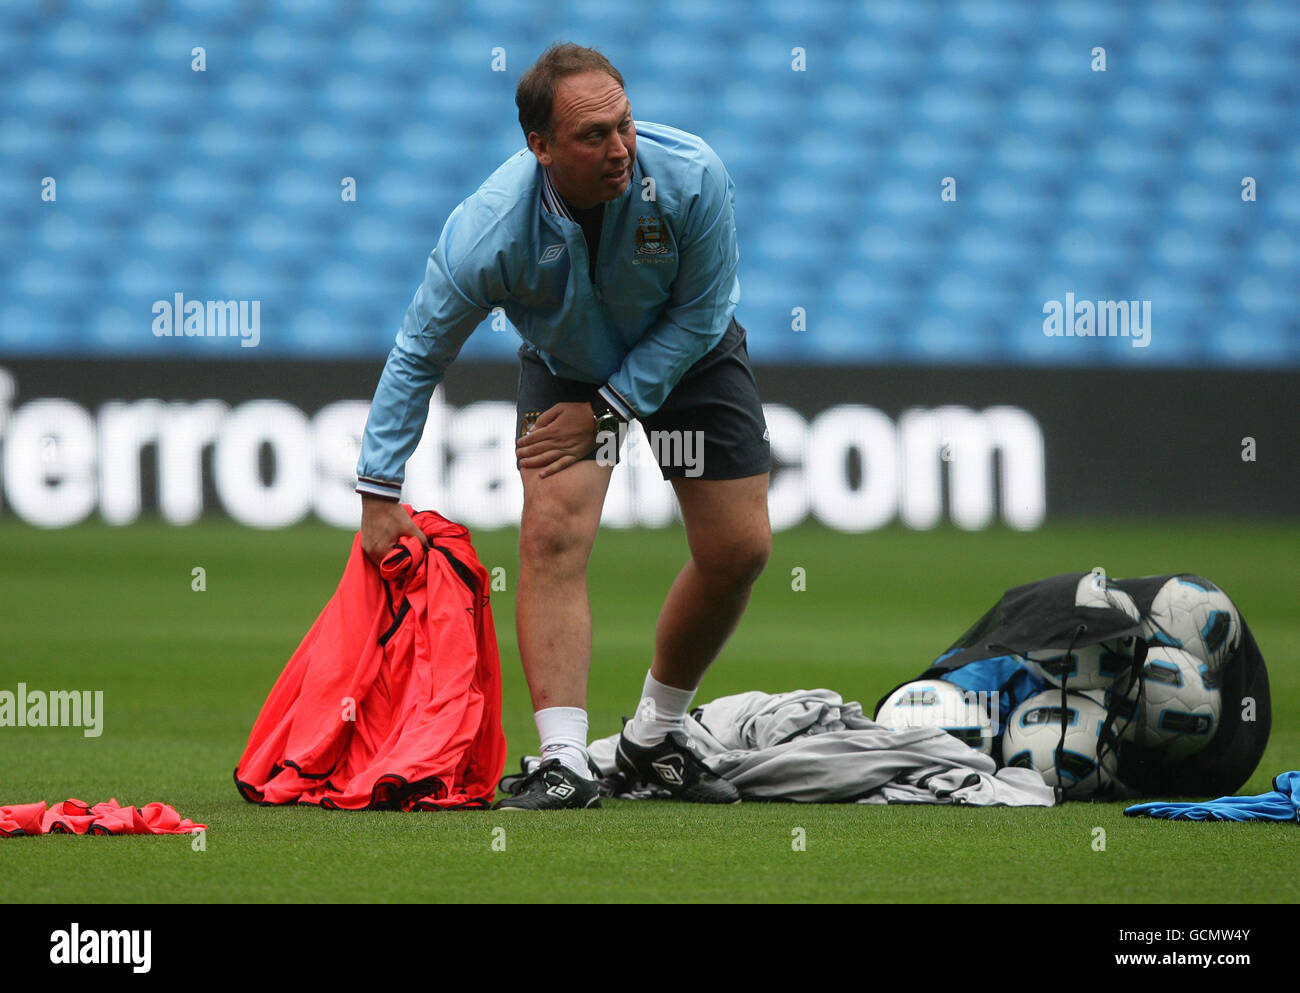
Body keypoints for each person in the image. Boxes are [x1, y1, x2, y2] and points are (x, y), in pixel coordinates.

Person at [355, 43, 771, 810]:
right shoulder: (488, 230)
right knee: (550, 534)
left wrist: (609, 408)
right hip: (567, 362)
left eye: (625, 124)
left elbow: (705, 311)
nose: (619, 149)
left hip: (690, 353)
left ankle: (655, 736)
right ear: (539, 147)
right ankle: (565, 759)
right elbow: (419, 350)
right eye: (592, 136)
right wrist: (379, 490)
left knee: (740, 549)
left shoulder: (694, 174)